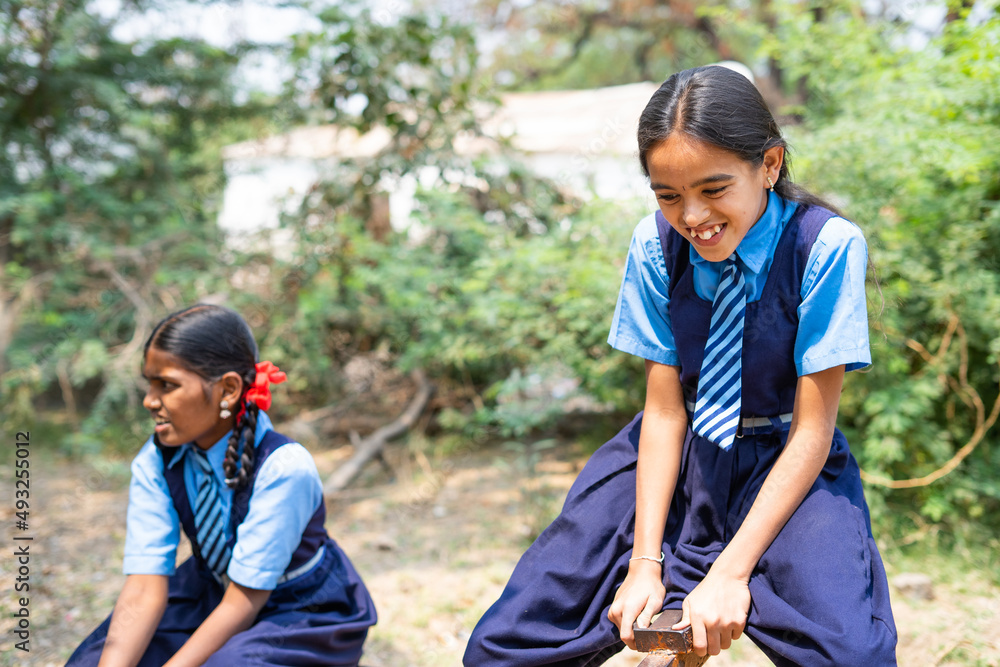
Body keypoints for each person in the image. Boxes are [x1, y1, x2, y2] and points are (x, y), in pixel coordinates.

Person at [463, 65, 898, 667]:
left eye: (713, 189)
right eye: (668, 195)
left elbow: (812, 431)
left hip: (785, 458)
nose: (692, 217)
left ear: (769, 165)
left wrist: (728, 574)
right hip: (677, 449)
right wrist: (646, 564)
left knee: (852, 654)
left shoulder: (824, 246)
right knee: (505, 644)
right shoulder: (654, 245)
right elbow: (664, 412)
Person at [68, 304, 377, 667]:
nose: (149, 401)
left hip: (299, 607)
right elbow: (144, 587)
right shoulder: (157, 459)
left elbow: (245, 600)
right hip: (210, 588)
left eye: (166, 385)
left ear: (228, 389)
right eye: (148, 383)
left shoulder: (283, 468)